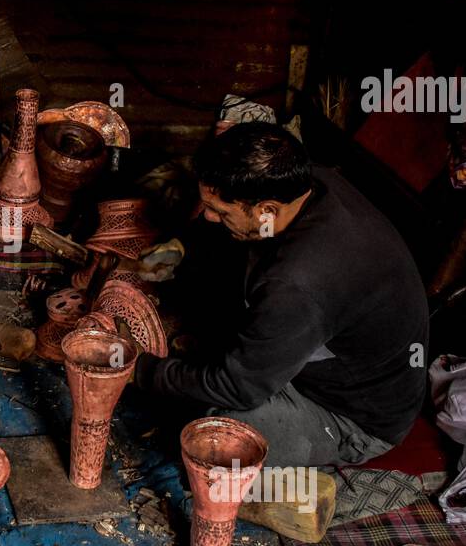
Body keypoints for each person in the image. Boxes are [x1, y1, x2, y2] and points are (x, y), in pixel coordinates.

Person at [133, 122, 429, 467]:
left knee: (215, 434)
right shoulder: (306, 183)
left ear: (267, 210)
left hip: (349, 417)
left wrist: (140, 371)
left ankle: (287, 490)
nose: (210, 218)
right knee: (212, 289)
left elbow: (237, 388)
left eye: (220, 211)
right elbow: (223, 228)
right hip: (305, 357)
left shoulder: (299, 282)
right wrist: (183, 244)